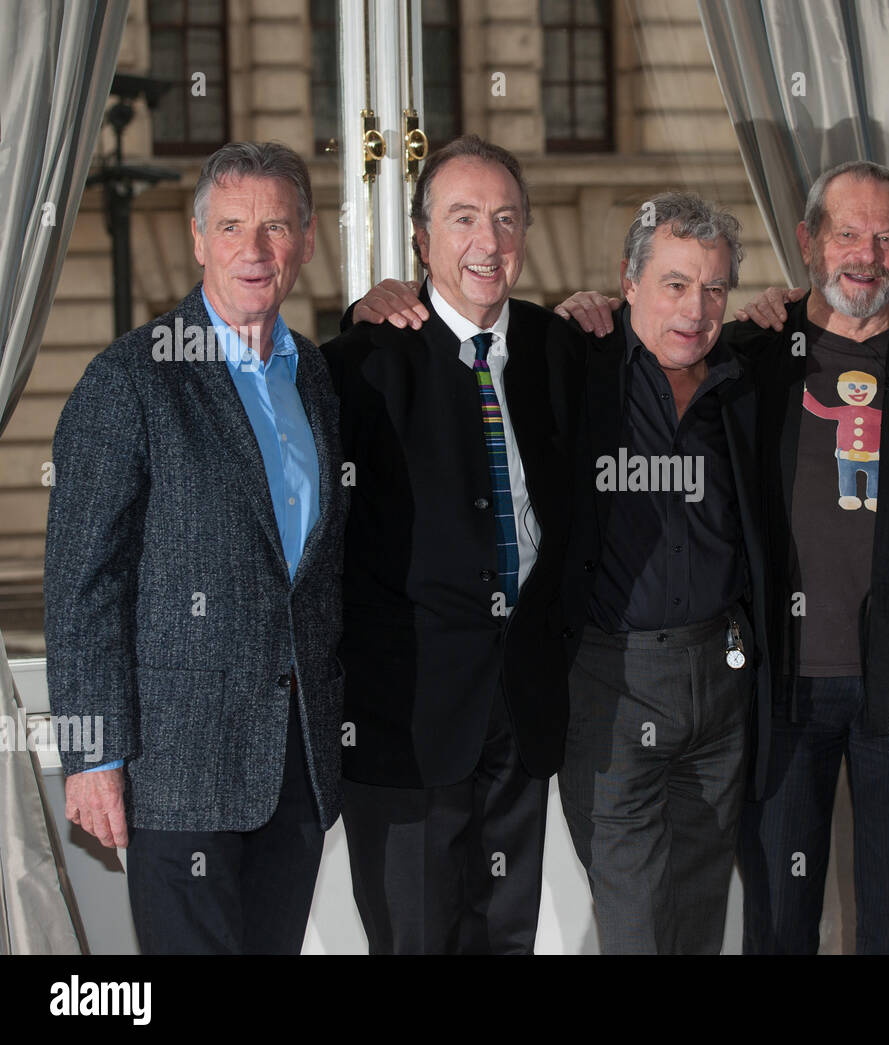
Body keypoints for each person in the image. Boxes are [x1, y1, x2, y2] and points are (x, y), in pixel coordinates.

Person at [560, 162, 889, 955]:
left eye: (886, 236)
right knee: (777, 920)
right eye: (846, 233)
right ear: (808, 242)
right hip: (773, 689)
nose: (865, 254)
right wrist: (581, 310)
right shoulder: (750, 357)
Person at [351, 191, 771, 954]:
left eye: (715, 287)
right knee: (636, 922)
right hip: (611, 687)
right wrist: (375, 301)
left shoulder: (747, 376)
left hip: (721, 683)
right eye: (675, 283)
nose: (696, 307)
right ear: (628, 283)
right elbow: (458, 331)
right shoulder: (578, 360)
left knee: (701, 921)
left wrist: (786, 303)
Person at [45, 141, 346, 954]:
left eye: (276, 228)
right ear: (198, 238)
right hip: (176, 773)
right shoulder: (131, 379)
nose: (255, 250)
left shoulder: (312, 375)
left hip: (296, 769)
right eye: (233, 226)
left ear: (308, 241)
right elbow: (82, 584)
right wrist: (92, 754)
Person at [322, 136, 575, 954]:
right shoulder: (362, 363)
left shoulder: (556, 348)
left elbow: (682, 332)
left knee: (507, 939)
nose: (488, 242)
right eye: (463, 218)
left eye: (505, 219)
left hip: (522, 711)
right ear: (422, 240)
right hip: (406, 723)